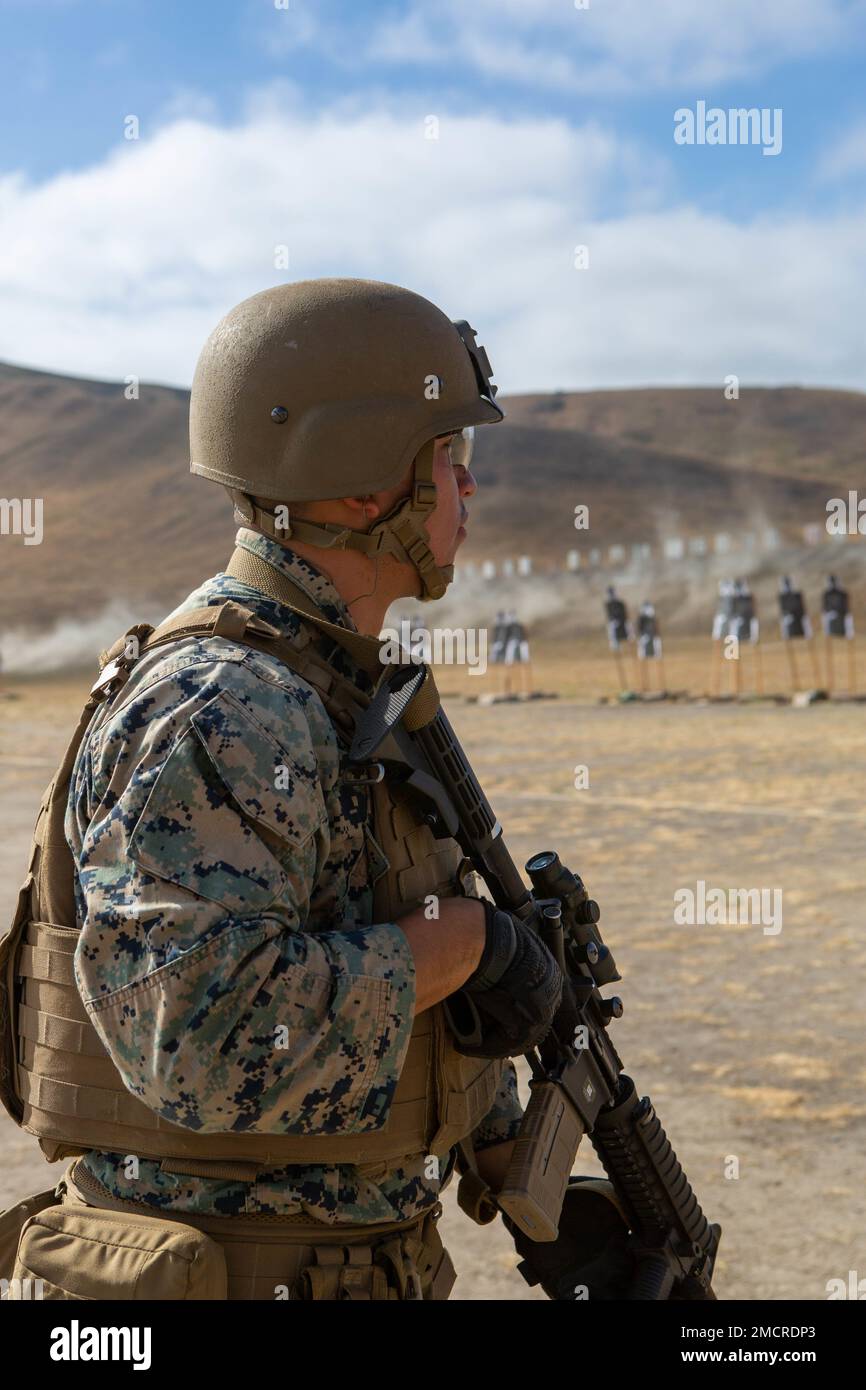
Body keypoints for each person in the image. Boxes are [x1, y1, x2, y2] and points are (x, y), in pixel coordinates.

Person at [1, 279, 629, 1301]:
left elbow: (363, 938)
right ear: (356, 483)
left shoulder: (332, 680)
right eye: (450, 461)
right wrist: (466, 945)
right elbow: (200, 1041)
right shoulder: (223, 704)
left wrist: (520, 1165)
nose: (470, 491)